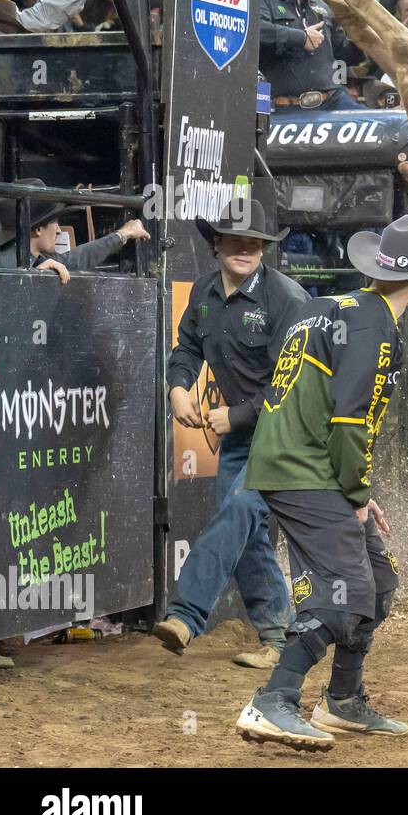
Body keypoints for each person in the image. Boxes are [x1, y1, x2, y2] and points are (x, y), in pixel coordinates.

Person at [235, 215, 408, 749]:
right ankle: (273, 700)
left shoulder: (335, 309)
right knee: (345, 594)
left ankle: (342, 700)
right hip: (304, 469)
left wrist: (356, 488)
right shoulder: (373, 325)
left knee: (377, 583)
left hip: (302, 464)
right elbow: (348, 420)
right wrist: (355, 495)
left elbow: (316, 403)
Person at [152, 200, 309, 668]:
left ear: (264, 248)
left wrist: (233, 417)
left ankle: (185, 614)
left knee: (241, 508)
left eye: (255, 242)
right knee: (248, 533)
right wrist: (178, 388)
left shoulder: (287, 299)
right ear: (215, 244)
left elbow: (294, 384)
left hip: (284, 436)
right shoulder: (203, 294)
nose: (246, 248)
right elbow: (186, 348)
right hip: (243, 439)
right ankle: (280, 638)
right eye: (236, 240)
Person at [259, 0, 366, 111]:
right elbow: (255, 31)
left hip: (334, 102)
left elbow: (342, 52)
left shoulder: (321, 6)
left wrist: (364, 40)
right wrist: (301, 38)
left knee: (392, 125)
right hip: (287, 109)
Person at [0, 178, 149, 275]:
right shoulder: (1, 265)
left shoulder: (33, 258)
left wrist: (121, 234)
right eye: (55, 222)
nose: (59, 230)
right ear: (38, 230)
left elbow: (74, 260)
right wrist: (32, 280)